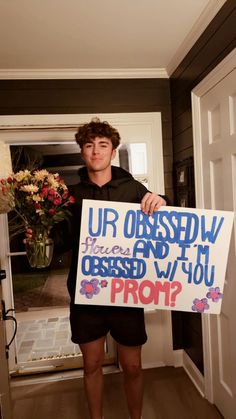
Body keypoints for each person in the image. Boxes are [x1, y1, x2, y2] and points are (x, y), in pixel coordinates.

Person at [66, 118, 167, 419]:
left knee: (133, 365)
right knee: (91, 365)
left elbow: (166, 219)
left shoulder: (132, 188)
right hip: (87, 296)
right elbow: (59, 242)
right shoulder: (69, 196)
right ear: (82, 152)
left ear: (112, 151)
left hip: (126, 293)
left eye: (102, 145)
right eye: (89, 145)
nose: (95, 151)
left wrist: (163, 199)